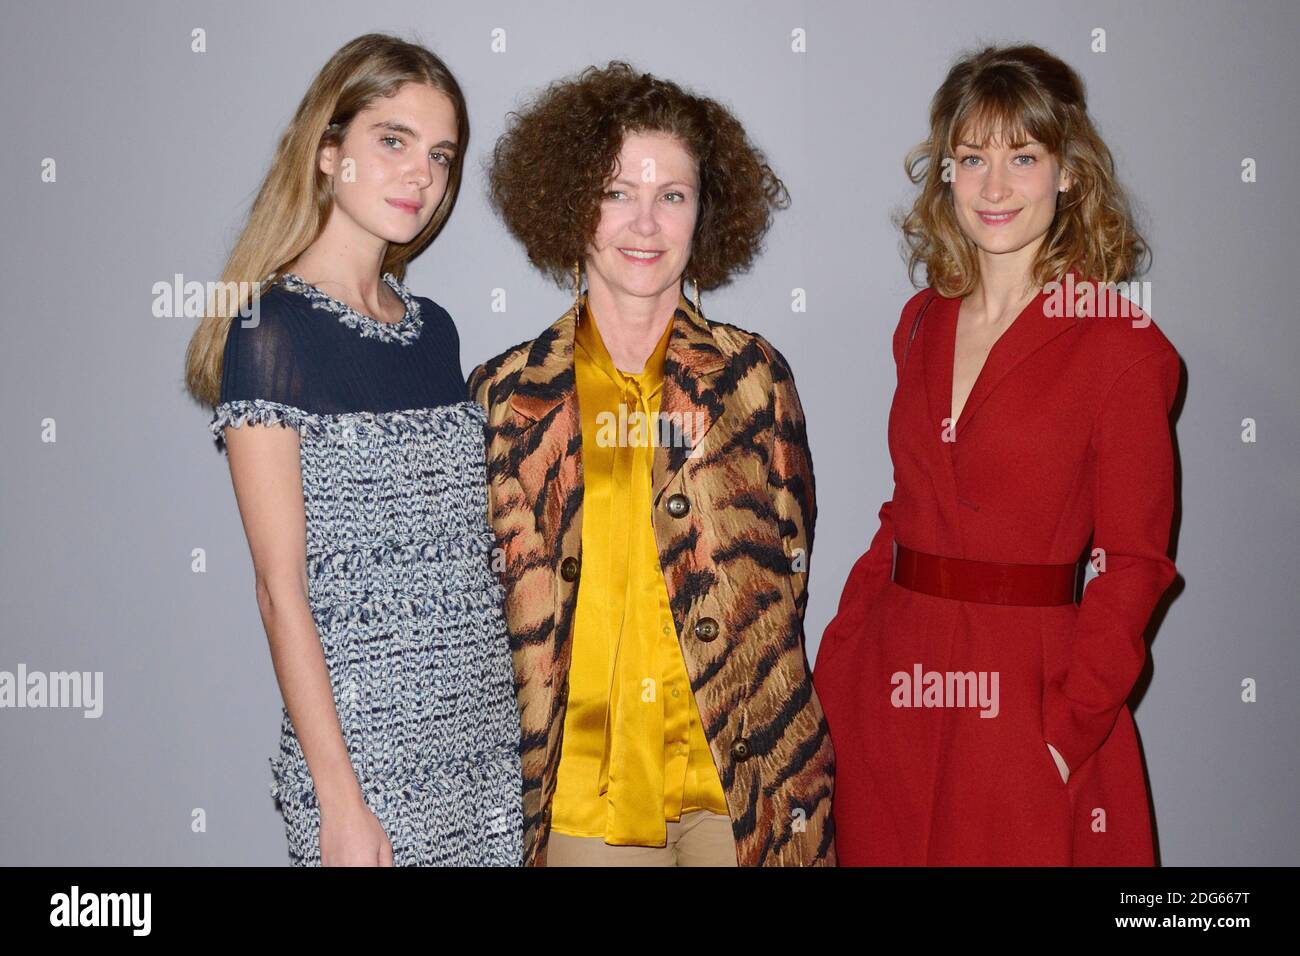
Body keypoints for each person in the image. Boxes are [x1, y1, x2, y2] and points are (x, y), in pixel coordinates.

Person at [814, 43, 1181, 866]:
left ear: (1069, 173)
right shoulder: (919, 323)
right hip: (890, 690)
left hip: (1029, 708)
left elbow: (1135, 564)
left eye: (1023, 156)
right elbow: (902, 512)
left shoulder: (1123, 346)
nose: (994, 185)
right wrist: (839, 674)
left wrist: (1066, 730)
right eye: (971, 158)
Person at [469, 62, 835, 866]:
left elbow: (789, 569)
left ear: (704, 214)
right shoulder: (506, 398)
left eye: (672, 194)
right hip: (581, 794)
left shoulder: (755, 378)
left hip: (747, 781)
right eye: (616, 192)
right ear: (571, 204)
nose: (645, 222)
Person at [183, 33, 522, 866]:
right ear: (329, 152)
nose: (422, 176)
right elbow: (279, 591)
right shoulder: (270, 330)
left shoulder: (432, 331)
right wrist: (340, 802)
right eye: (394, 141)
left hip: (485, 744)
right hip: (366, 763)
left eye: (441, 156)